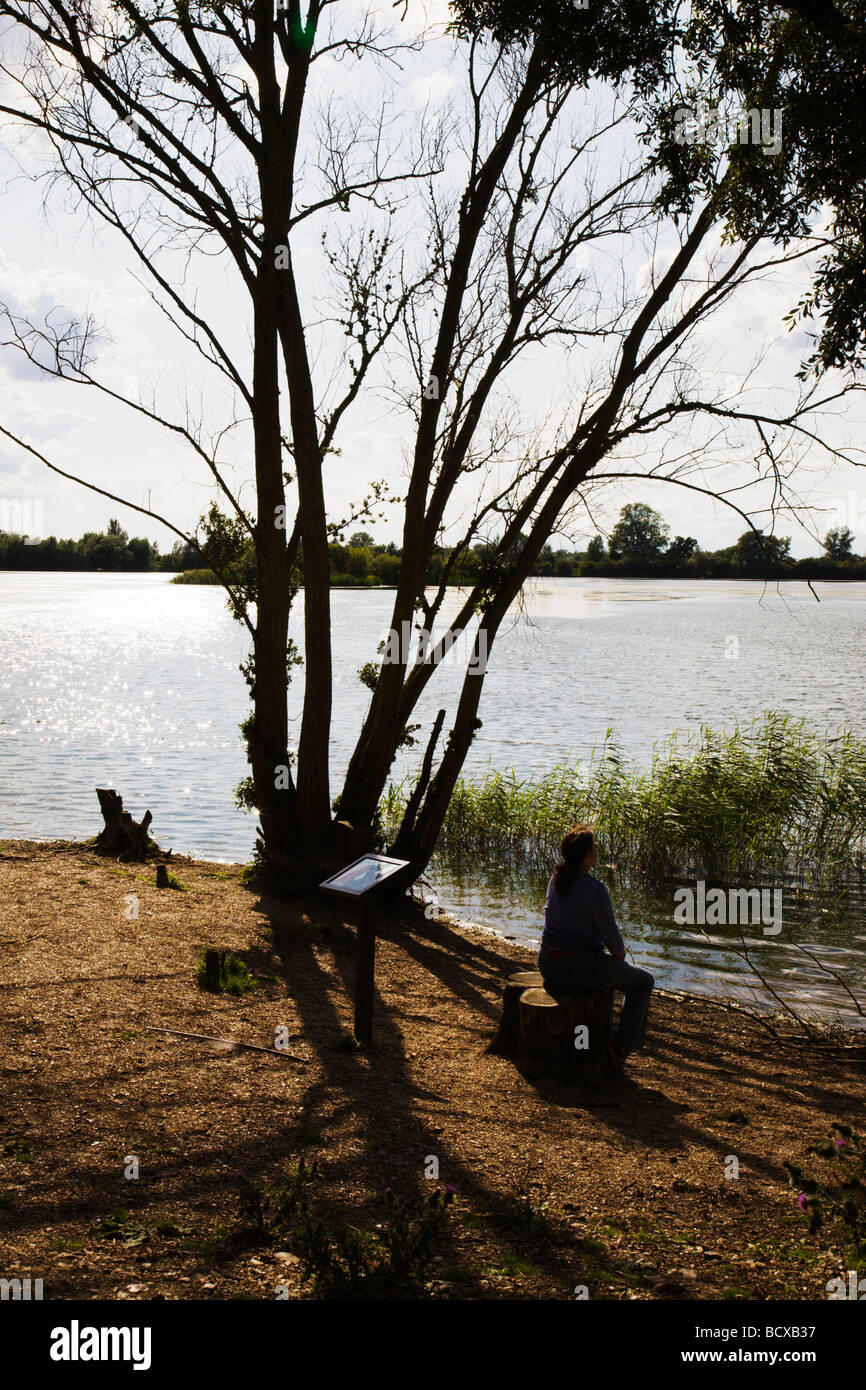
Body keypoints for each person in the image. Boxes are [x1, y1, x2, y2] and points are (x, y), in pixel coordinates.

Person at [538, 824, 653, 1074]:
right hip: (575, 968)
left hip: (547, 964)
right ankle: (622, 1048)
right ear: (588, 855)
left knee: (606, 975)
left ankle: (596, 1042)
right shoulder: (595, 890)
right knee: (644, 981)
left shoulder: (556, 878)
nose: (597, 850)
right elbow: (614, 944)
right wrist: (620, 961)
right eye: (595, 847)